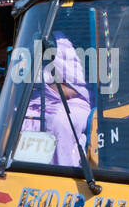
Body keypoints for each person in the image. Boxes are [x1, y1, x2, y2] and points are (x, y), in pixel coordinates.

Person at [22, 29, 91, 167]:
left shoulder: (59, 44)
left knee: (59, 121)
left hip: (71, 103)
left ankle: (61, 171)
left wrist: (49, 89)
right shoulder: (23, 42)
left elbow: (76, 89)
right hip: (34, 103)